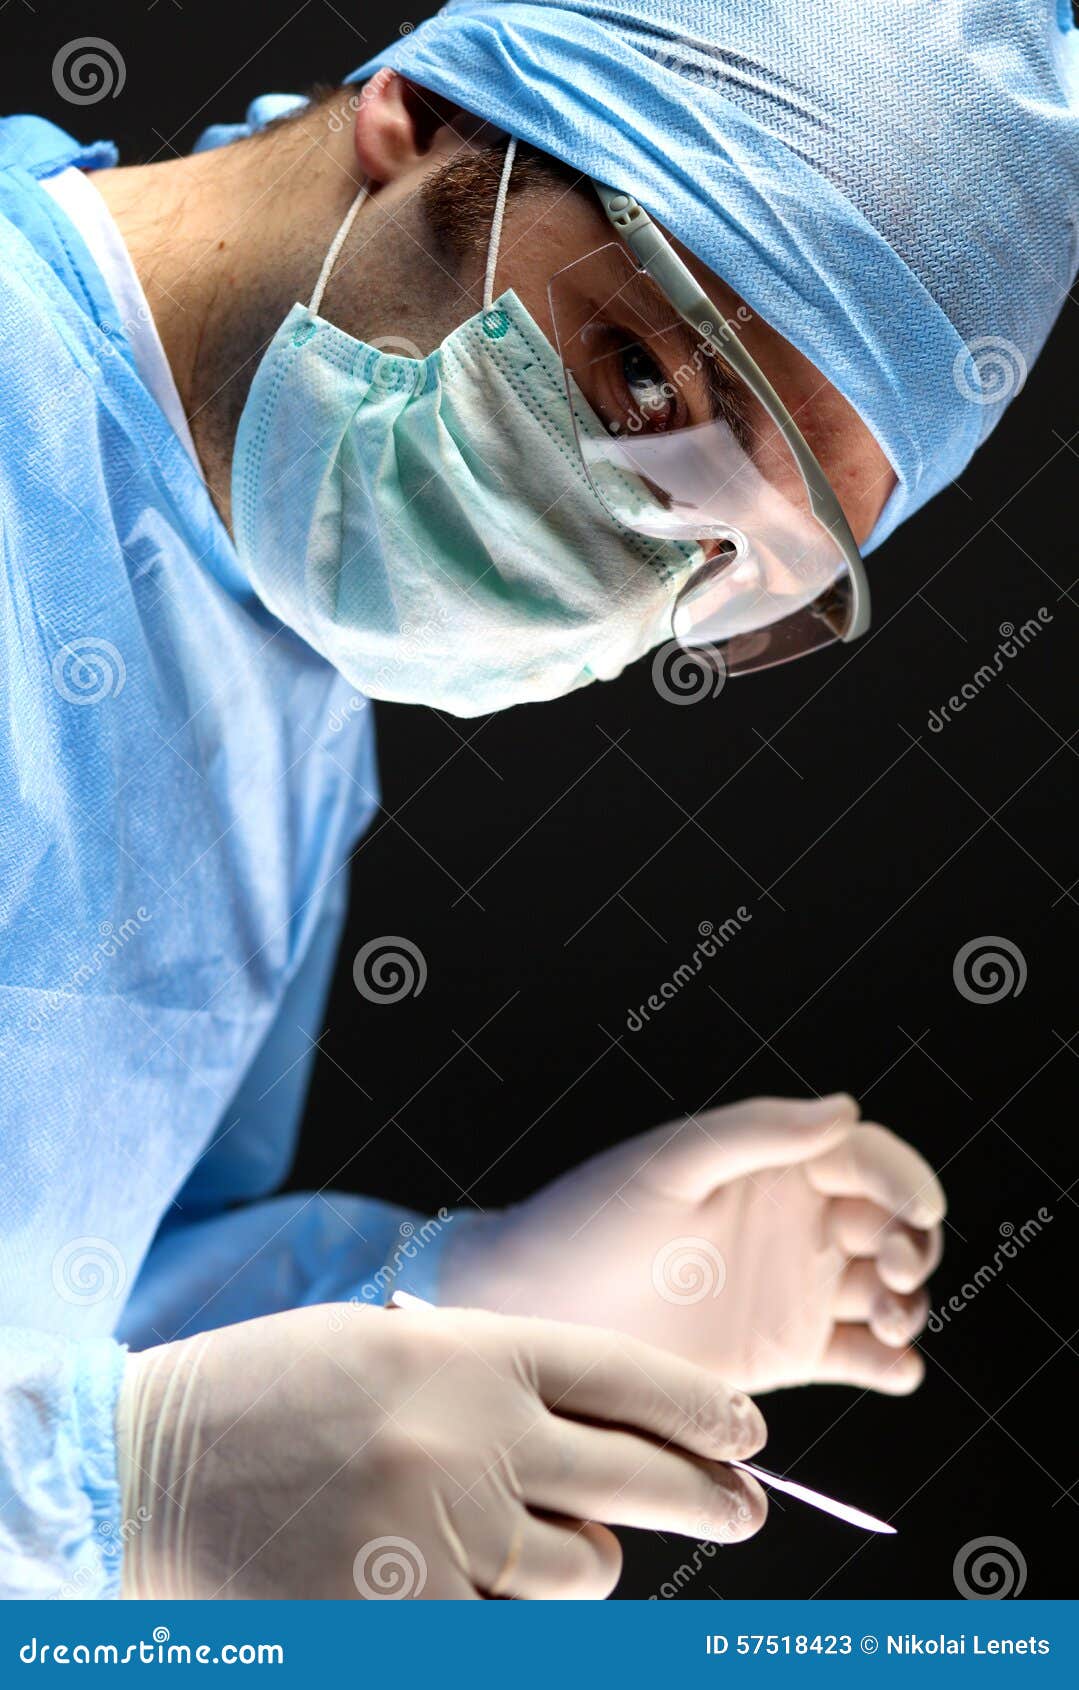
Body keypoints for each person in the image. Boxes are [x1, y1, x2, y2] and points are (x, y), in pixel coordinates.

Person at [0, 0, 1073, 1599]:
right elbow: (116, 1451)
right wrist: (104, 1487)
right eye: (639, 372)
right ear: (424, 114)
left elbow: (83, 1327)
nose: (621, 560)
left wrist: (465, 1300)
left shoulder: (280, 717)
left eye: (727, 553)